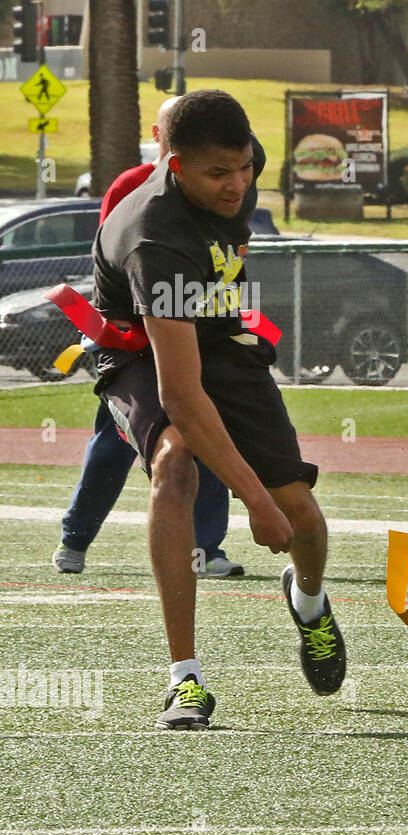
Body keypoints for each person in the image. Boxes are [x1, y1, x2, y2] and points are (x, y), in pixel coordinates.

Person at [89, 89, 345, 730]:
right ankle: (185, 679)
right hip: (145, 352)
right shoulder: (157, 239)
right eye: (216, 174)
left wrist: (274, 499)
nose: (237, 186)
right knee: (176, 465)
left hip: (219, 335)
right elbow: (181, 394)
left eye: (244, 168)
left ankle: (309, 604)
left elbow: (189, 118)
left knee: (303, 514)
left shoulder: (237, 165)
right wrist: (252, 500)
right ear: (174, 166)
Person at [53, 96, 243, 579]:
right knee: (114, 444)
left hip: (190, 338)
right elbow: (121, 261)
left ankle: (206, 548)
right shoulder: (131, 187)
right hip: (133, 349)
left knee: (205, 433)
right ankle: (75, 538)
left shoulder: (213, 191)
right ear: (160, 137)